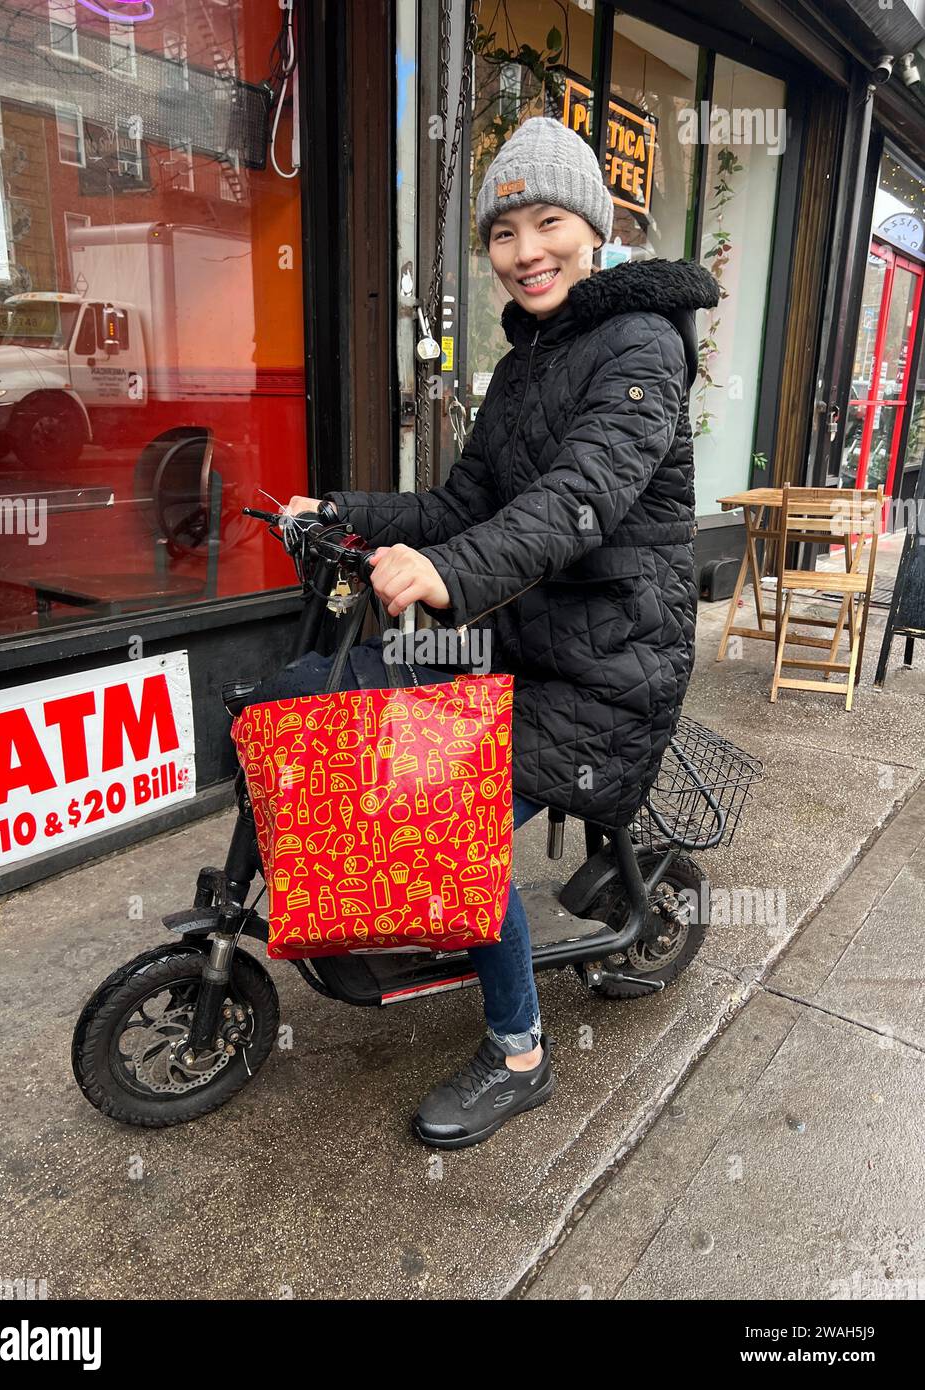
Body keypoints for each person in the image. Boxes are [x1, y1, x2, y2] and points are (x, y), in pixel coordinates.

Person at [279, 116, 719, 1149]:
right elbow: (461, 500)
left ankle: (519, 1050)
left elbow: (578, 499)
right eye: (505, 231)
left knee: (452, 814)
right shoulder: (528, 363)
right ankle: (379, 909)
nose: (527, 250)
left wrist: (449, 572)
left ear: (596, 229)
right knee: (337, 689)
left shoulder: (644, 344)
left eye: (550, 221)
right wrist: (339, 514)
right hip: (520, 643)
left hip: (608, 673)